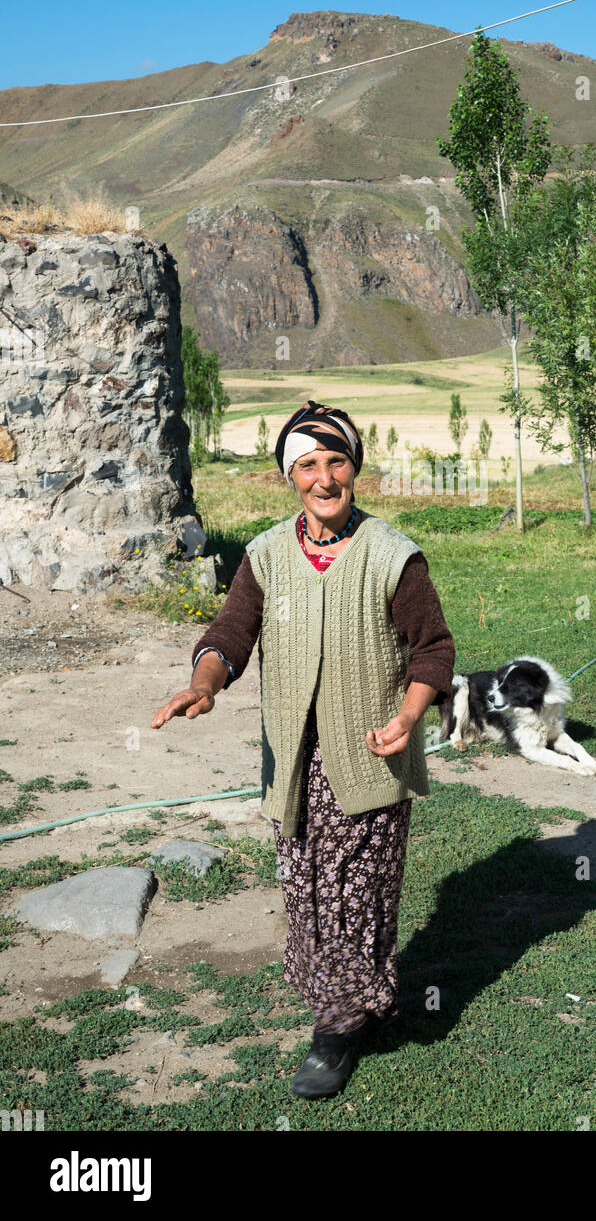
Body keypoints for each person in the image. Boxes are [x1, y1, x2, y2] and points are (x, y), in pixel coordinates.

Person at [151, 399, 455, 1099]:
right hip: (292, 761)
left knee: (359, 889)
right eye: (307, 465)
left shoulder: (391, 555)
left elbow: (431, 648)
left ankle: (337, 1029)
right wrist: (204, 684)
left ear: (355, 468)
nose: (323, 478)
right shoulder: (264, 556)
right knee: (306, 890)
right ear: (290, 476)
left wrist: (409, 717)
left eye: (336, 461)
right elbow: (230, 634)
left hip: (372, 753)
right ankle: (352, 1004)